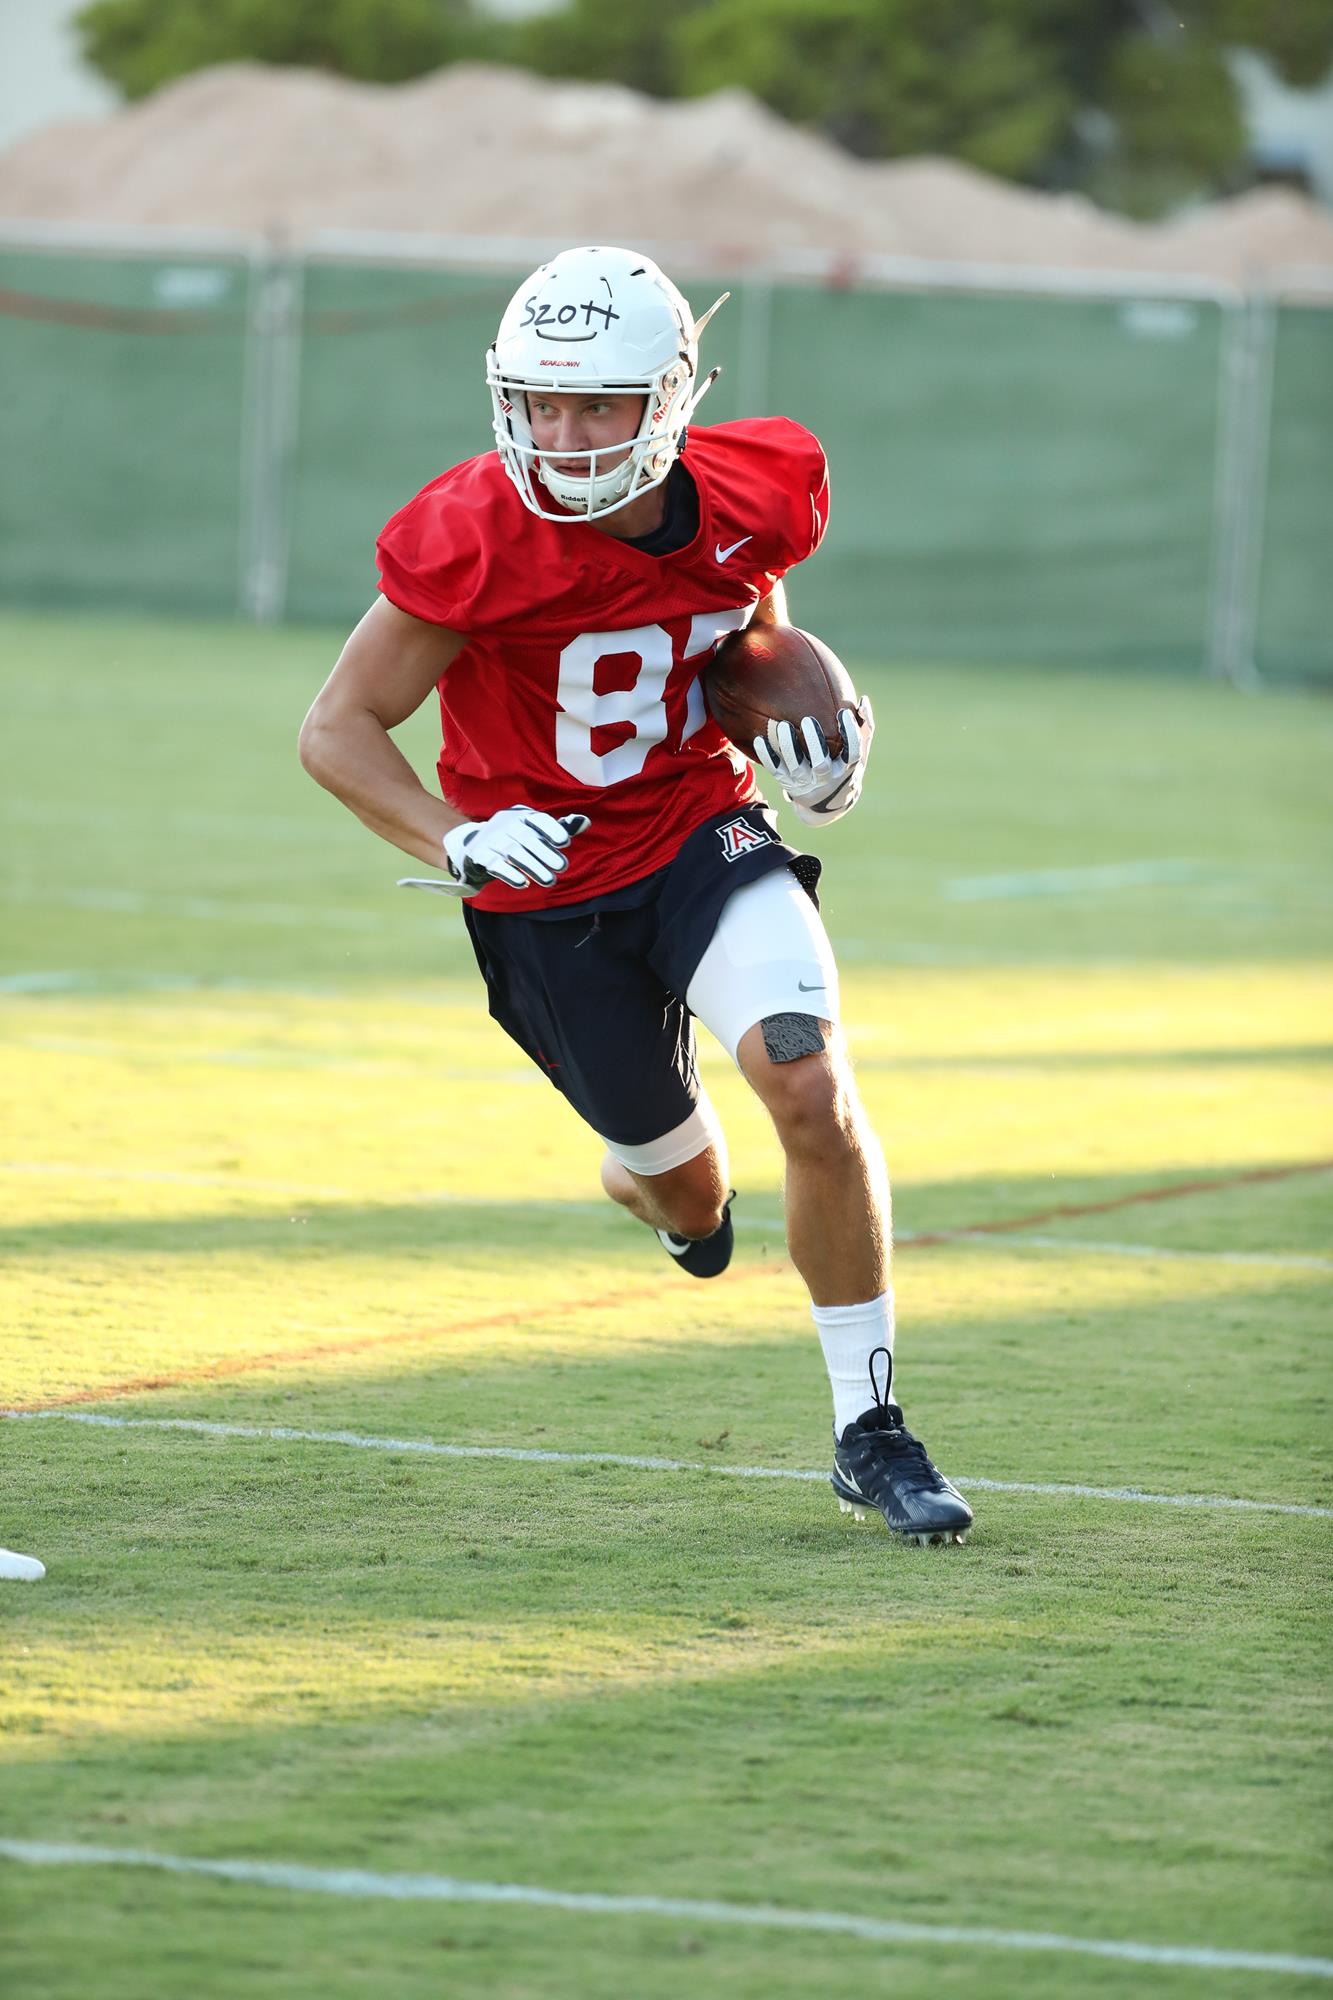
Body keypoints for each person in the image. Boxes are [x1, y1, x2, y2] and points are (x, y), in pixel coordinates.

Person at [299, 245, 972, 1546]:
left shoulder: (755, 488)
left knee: (807, 1082)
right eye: (539, 405)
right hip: (544, 884)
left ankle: (871, 1430)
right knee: (691, 1196)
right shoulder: (473, 533)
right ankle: (654, 1185)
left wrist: (811, 744)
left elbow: (750, 633)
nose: (561, 437)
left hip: (696, 830)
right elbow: (337, 729)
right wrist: (456, 837)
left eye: (595, 406)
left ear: (667, 397)